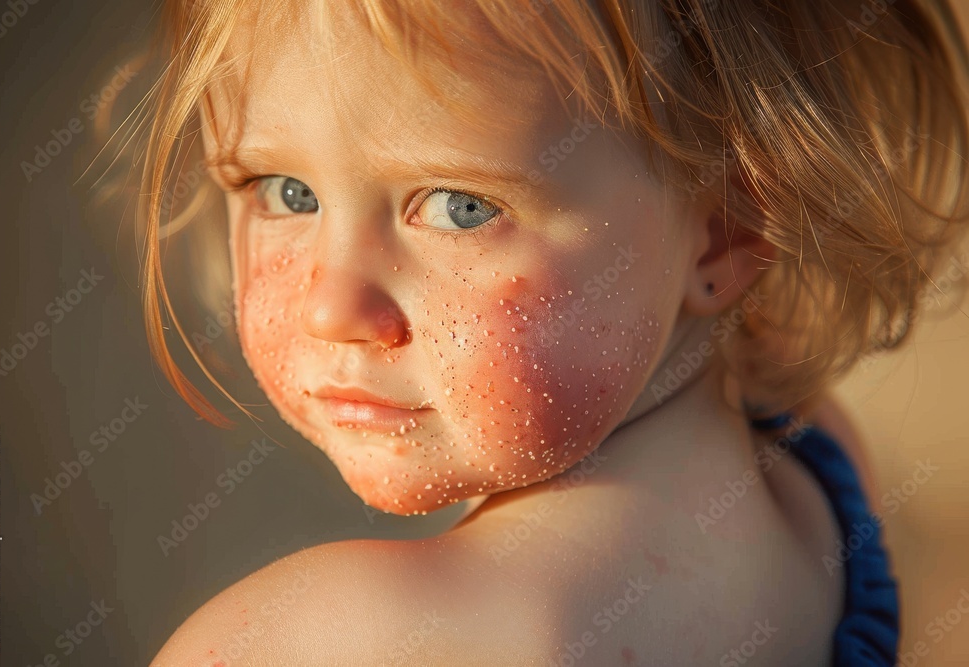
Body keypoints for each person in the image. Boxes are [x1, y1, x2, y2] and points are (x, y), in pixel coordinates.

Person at [125, 0, 969, 664]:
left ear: (723, 231)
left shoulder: (304, 645)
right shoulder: (815, 465)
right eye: (285, 191)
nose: (331, 307)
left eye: (462, 208)